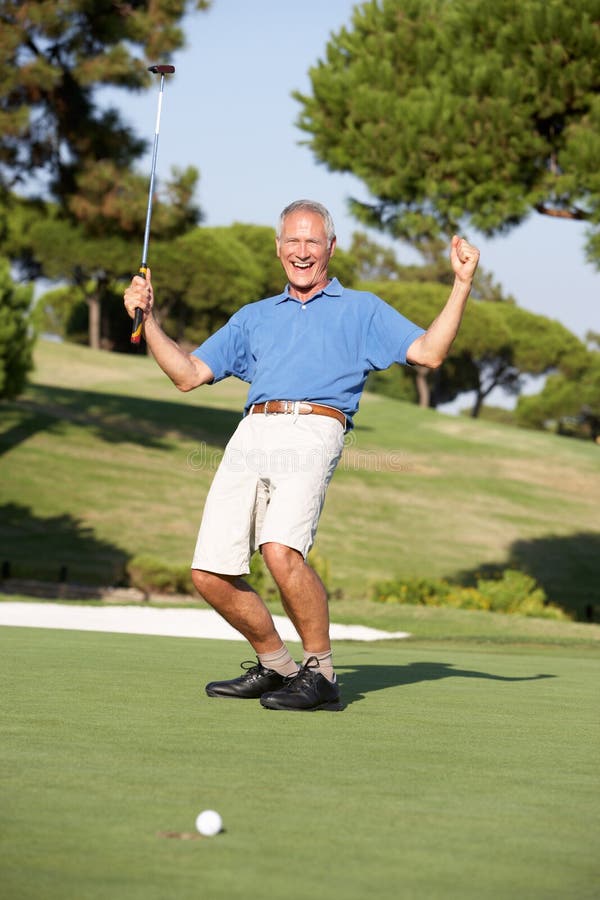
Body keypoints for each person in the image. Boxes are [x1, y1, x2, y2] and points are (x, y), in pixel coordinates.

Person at [124, 199, 479, 712]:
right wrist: (148, 319)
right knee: (208, 572)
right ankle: (277, 667)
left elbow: (429, 352)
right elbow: (188, 374)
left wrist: (462, 283)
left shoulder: (362, 309)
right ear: (278, 248)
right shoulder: (254, 317)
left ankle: (322, 672)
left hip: (315, 427)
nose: (303, 251)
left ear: (331, 248)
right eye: (293, 240)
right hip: (251, 431)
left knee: (279, 550)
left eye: (314, 241)